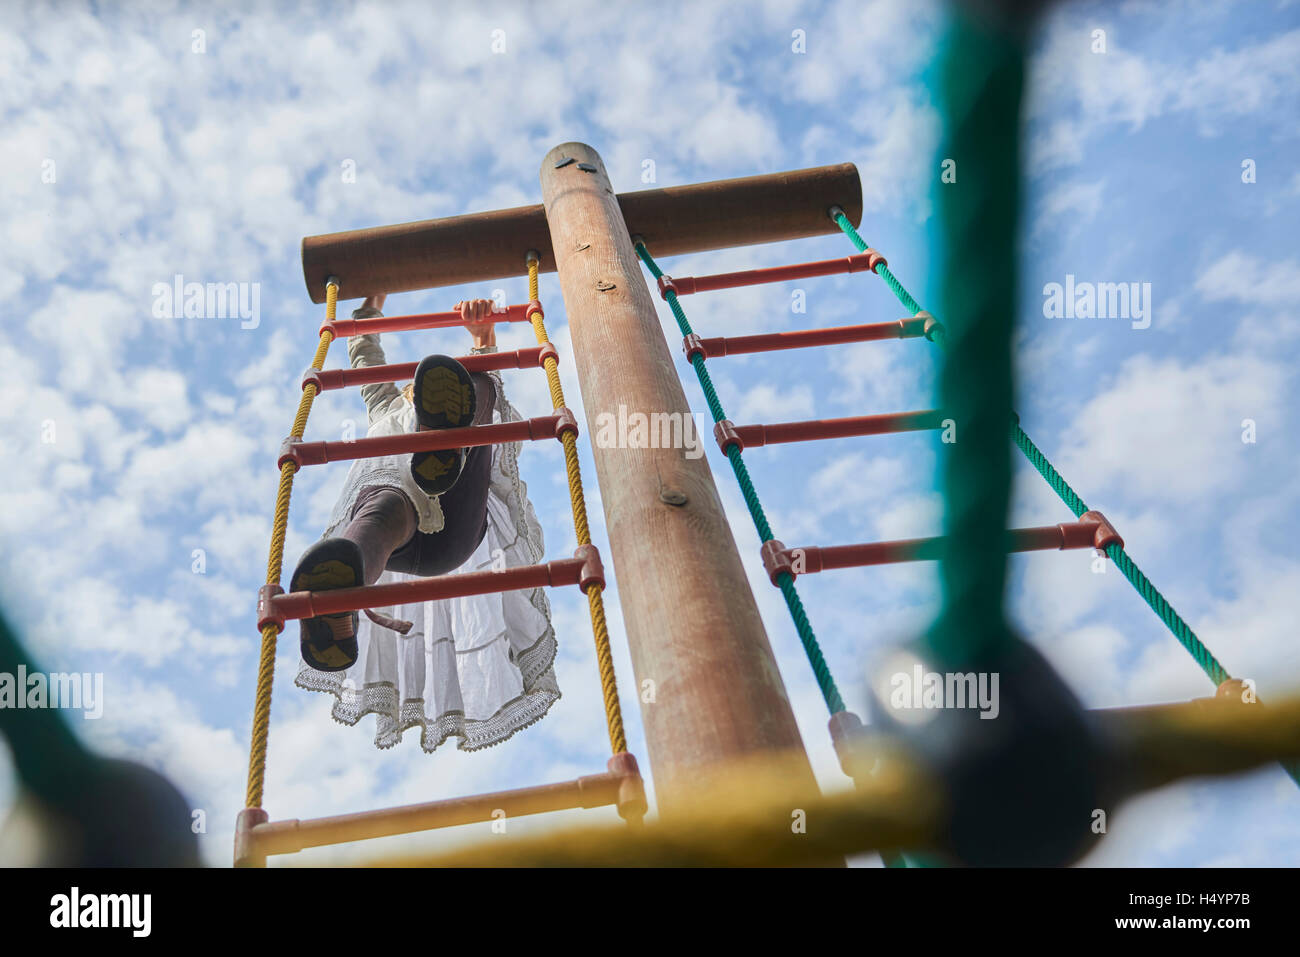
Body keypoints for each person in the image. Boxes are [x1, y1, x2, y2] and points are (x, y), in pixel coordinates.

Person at [291, 295, 559, 752]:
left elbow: (481, 378)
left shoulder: (464, 399)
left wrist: (482, 338)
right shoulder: (386, 411)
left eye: (432, 398)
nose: (417, 397)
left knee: (483, 385)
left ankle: (446, 445)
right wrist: (370, 306)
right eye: (423, 395)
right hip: (397, 527)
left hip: (453, 528)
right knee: (377, 504)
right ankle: (337, 605)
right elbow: (365, 353)